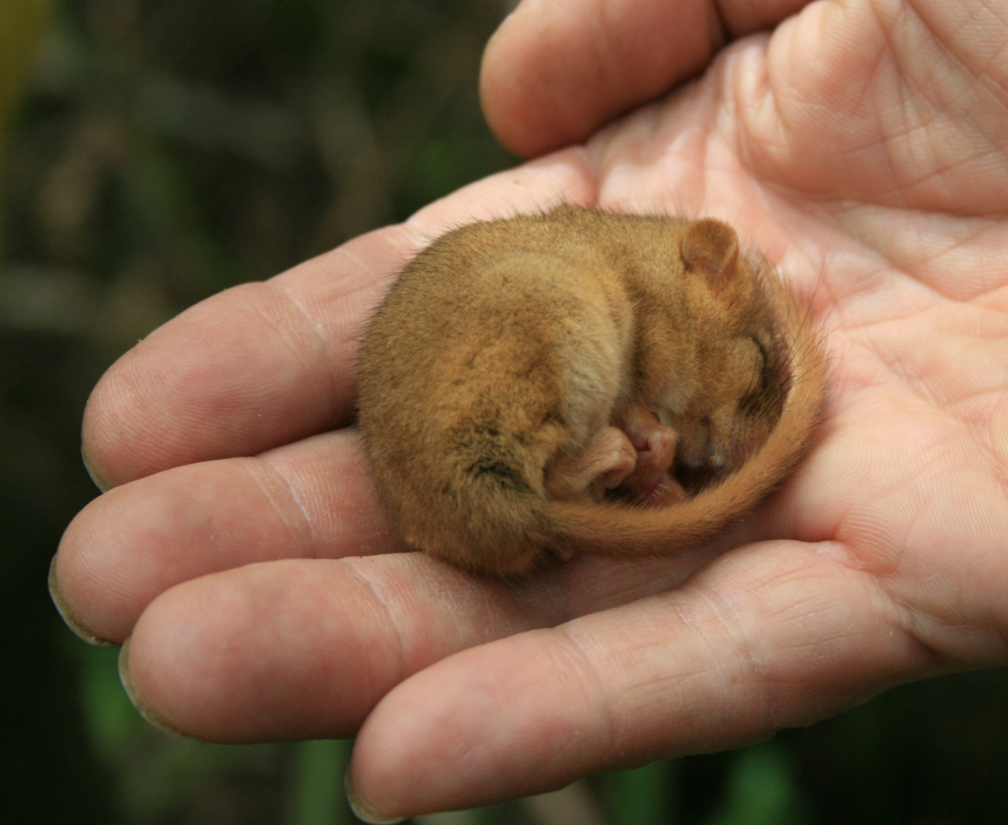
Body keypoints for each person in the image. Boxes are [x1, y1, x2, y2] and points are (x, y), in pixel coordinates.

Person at [50, 0, 1008, 820]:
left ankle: (556, 481)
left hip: (482, 489)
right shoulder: (643, 282)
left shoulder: (627, 310)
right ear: (707, 262)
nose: (736, 428)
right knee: (565, 317)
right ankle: (551, 468)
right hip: (493, 443)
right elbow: (624, 348)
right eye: (752, 366)